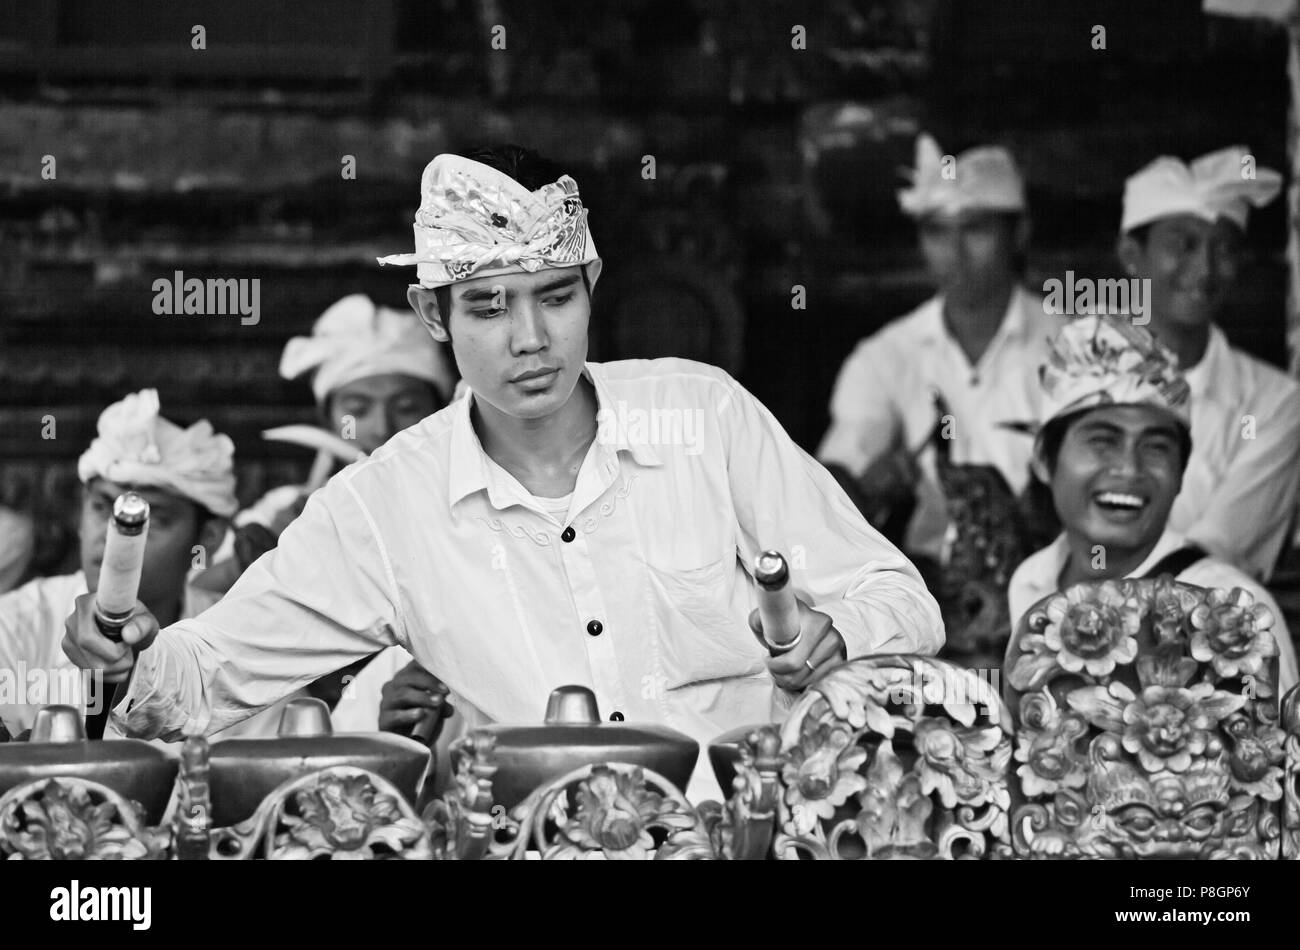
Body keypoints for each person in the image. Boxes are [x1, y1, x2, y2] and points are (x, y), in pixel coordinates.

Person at [63, 145, 944, 800]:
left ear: (593, 286)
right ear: (432, 314)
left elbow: (904, 599)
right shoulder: (386, 504)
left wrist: (838, 632)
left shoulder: (704, 417)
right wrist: (121, 650)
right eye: (487, 305)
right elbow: (199, 681)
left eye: (557, 297)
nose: (531, 339)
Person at [1006, 315, 1298, 694]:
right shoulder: (1030, 582)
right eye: (1102, 441)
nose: (1129, 468)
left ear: (1179, 474)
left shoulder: (1233, 609)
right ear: (1045, 460)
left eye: (1156, 446)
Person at [818, 133, 1064, 563]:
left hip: (1057, 579)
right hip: (936, 593)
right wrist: (863, 486)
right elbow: (828, 489)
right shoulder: (886, 356)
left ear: (1019, 232)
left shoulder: (1072, 342)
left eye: (975, 229)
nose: (955, 253)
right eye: (937, 232)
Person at [1, 390, 298, 739]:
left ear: (208, 538)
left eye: (151, 517)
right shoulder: (14, 628)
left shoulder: (242, 648)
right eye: (101, 506)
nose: (116, 538)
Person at [1114, 146, 1300, 581]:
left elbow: (1218, 549)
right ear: (1130, 256)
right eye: (1184, 244)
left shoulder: (1273, 403)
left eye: (1224, 249)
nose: (1205, 269)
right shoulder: (1078, 376)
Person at [191, 294, 456, 596]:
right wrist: (267, 547)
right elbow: (195, 598)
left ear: (440, 410)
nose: (383, 427)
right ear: (328, 419)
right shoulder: (286, 509)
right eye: (357, 410)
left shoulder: (466, 499)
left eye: (407, 407)